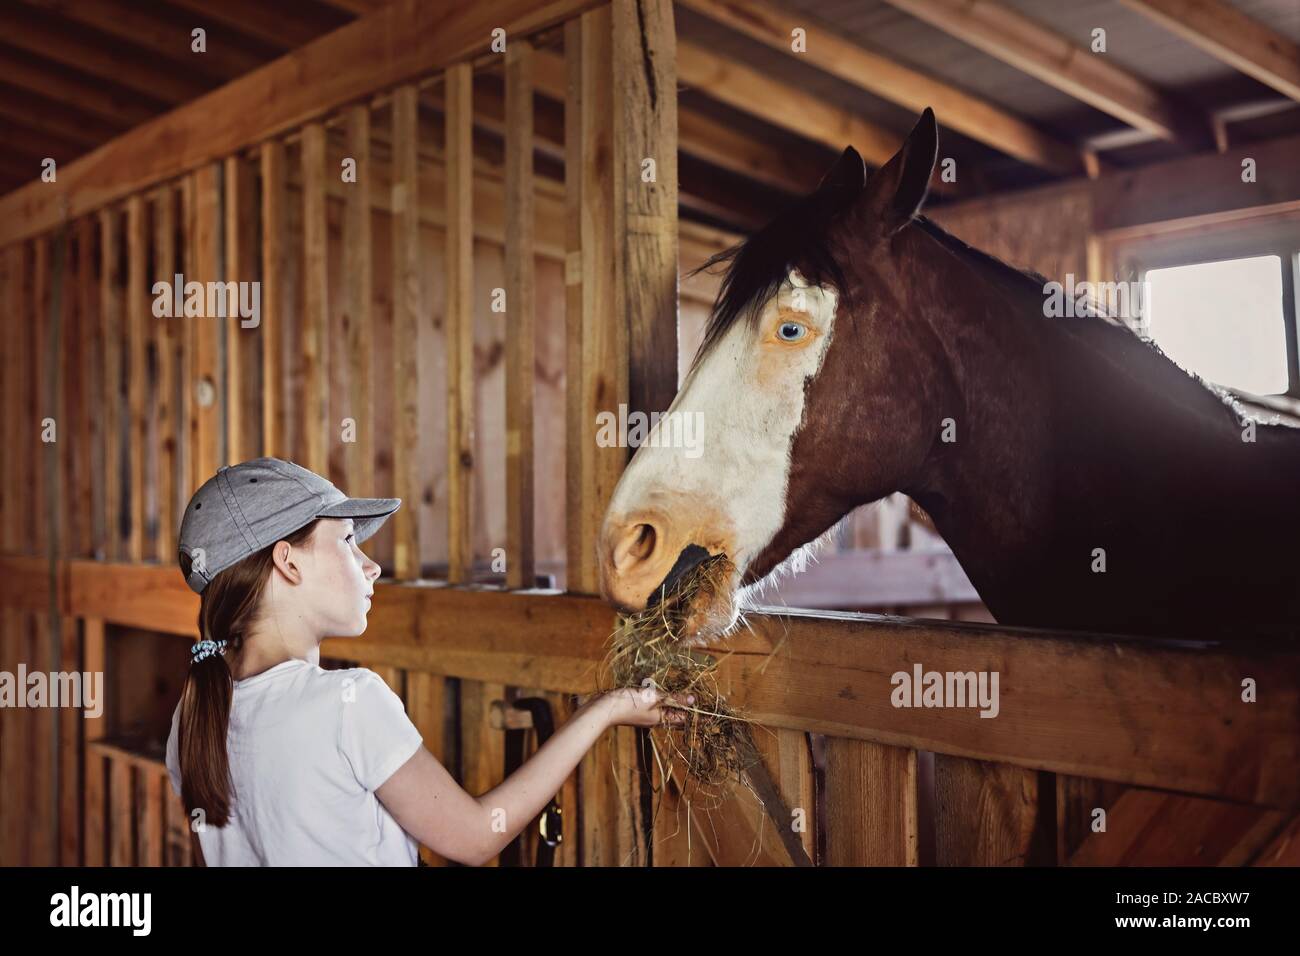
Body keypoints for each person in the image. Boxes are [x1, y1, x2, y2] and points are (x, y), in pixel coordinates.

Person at [165, 456, 690, 866]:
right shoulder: (347, 703)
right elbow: (477, 837)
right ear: (288, 561)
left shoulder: (191, 717)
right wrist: (604, 710)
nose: (371, 566)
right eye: (348, 542)